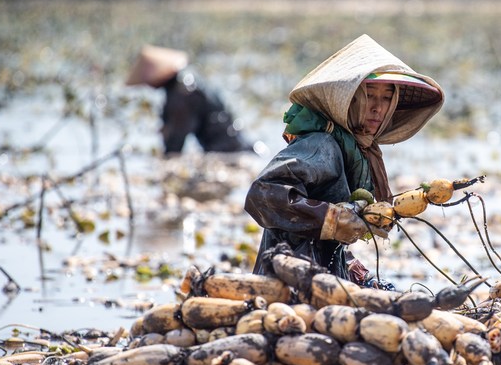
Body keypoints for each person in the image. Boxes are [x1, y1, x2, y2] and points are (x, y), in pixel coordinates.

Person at [245, 34, 444, 285]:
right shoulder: (321, 144)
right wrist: (332, 220)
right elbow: (262, 194)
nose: (378, 108)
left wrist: (361, 275)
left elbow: (327, 243)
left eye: (386, 98)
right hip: (287, 284)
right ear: (350, 99)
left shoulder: (356, 151)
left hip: (323, 281)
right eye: (370, 95)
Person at [125, 45, 252, 155]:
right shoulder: (185, 83)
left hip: (228, 152)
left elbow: (176, 141)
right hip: (233, 146)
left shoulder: (183, 94)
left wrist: (166, 158)